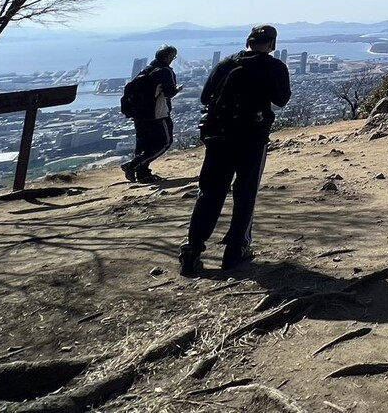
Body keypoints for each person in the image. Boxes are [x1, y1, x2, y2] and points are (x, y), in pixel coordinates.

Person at [179, 24, 291, 276]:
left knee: (209, 192)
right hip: (251, 137)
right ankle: (235, 250)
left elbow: (205, 96)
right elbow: (282, 99)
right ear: (272, 44)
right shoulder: (274, 66)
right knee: (245, 192)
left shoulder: (226, 63)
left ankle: (191, 251)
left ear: (248, 41)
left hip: (218, 136)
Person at [122, 45, 182, 183]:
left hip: (138, 114)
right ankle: (133, 165)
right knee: (165, 142)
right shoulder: (165, 71)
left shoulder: (146, 70)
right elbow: (169, 93)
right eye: (173, 57)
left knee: (143, 144)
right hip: (157, 113)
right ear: (167, 57)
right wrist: (177, 89)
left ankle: (143, 174)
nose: (173, 59)